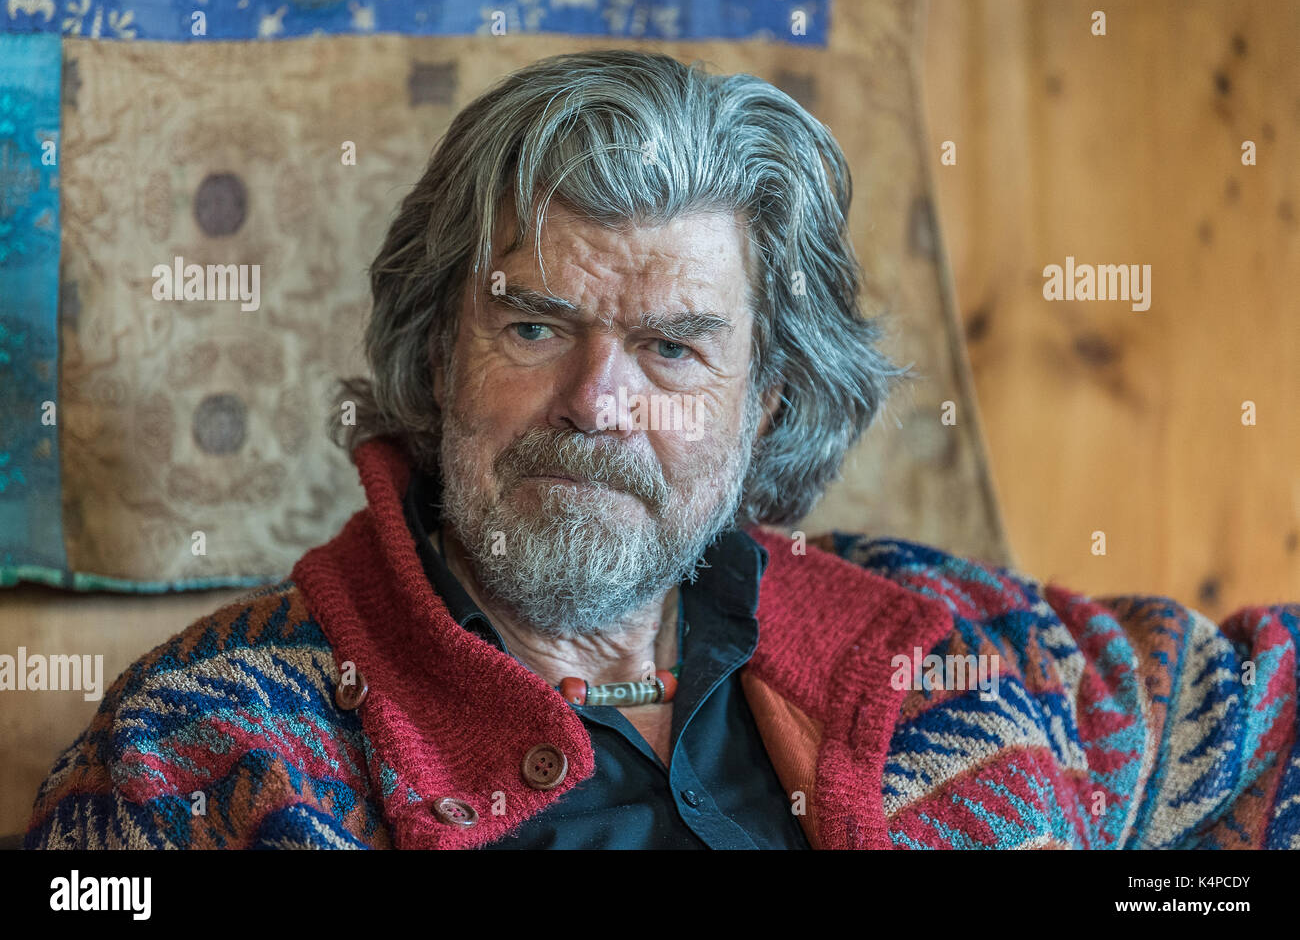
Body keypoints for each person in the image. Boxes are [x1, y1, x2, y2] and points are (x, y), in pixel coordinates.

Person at [26, 50, 1298, 850]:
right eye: (534, 325)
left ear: (768, 403)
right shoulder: (205, 748)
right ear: (431, 352)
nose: (597, 403)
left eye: (676, 349)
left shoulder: (953, 642)